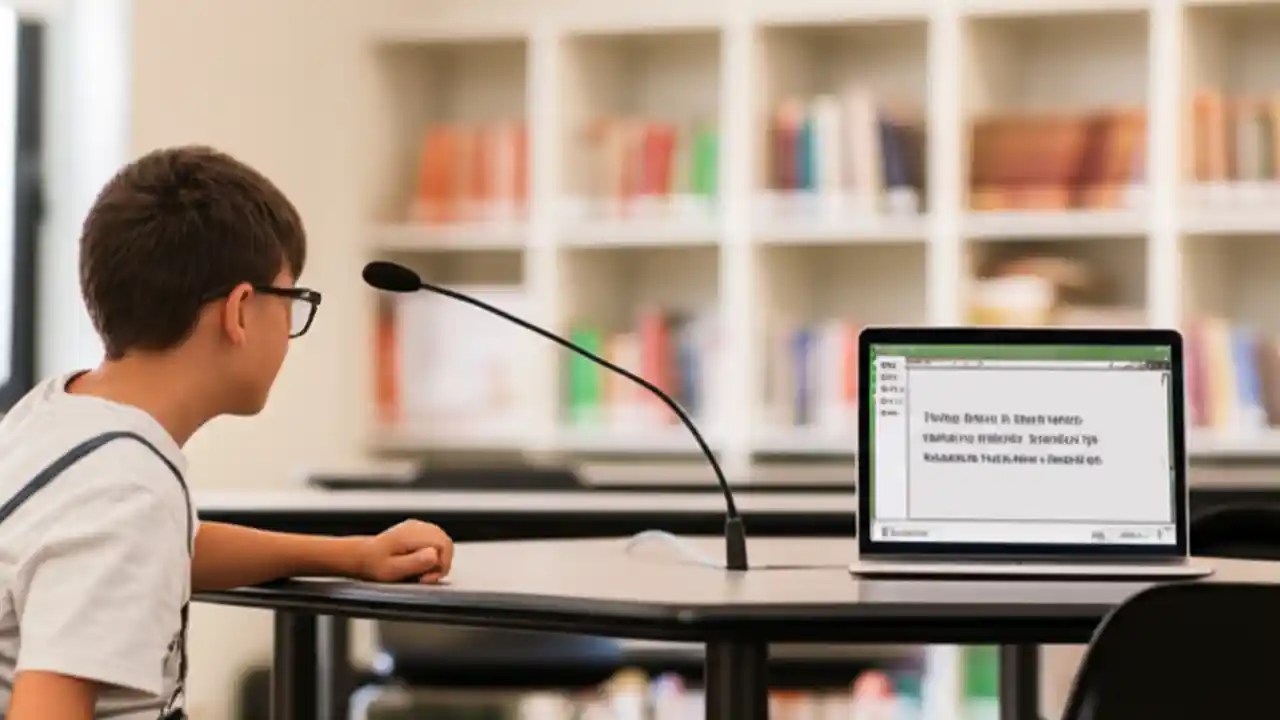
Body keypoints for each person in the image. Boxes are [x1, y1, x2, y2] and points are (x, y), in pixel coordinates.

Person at [0, 146, 454, 720]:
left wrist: (353, 555)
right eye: (293, 299)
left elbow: (171, 545)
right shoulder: (126, 492)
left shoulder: (55, 415)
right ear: (241, 311)